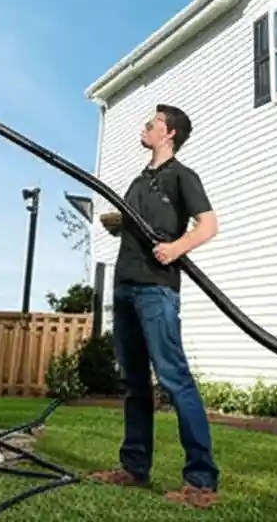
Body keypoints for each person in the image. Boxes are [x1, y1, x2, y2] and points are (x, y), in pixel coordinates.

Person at [90, 104, 221, 509]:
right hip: (125, 285)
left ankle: (201, 481)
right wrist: (119, 223)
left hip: (156, 290)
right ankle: (134, 467)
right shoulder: (136, 182)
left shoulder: (183, 176)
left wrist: (177, 247)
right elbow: (138, 224)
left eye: (152, 124)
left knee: (174, 378)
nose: (145, 128)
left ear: (170, 134)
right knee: (134, 383)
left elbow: (208, 224)